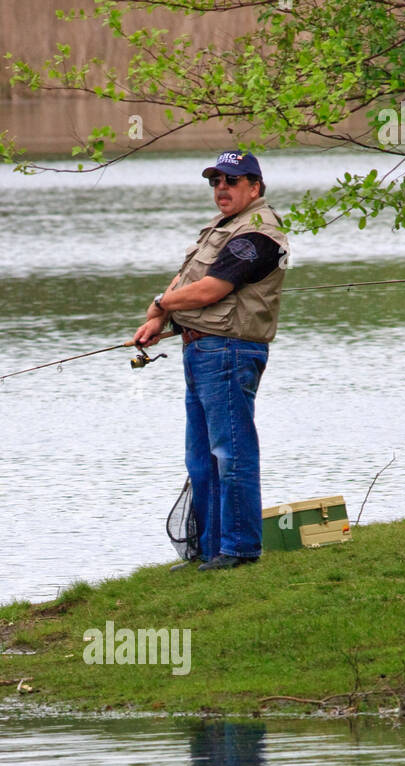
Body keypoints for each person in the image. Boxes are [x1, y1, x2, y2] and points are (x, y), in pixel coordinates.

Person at [133, 151, 289, 571]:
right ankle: (208, 548)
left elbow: (209, 290)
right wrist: (160, 315)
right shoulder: (221, 229)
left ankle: (239, 549)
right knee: (201, 458)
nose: (221, 188)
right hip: (199, 350)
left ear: (254, 187)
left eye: (232, 181)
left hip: (230, 351)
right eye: (215, 181)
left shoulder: (257, 233)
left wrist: (158, 303)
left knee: (231, 452)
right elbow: (187, 280)